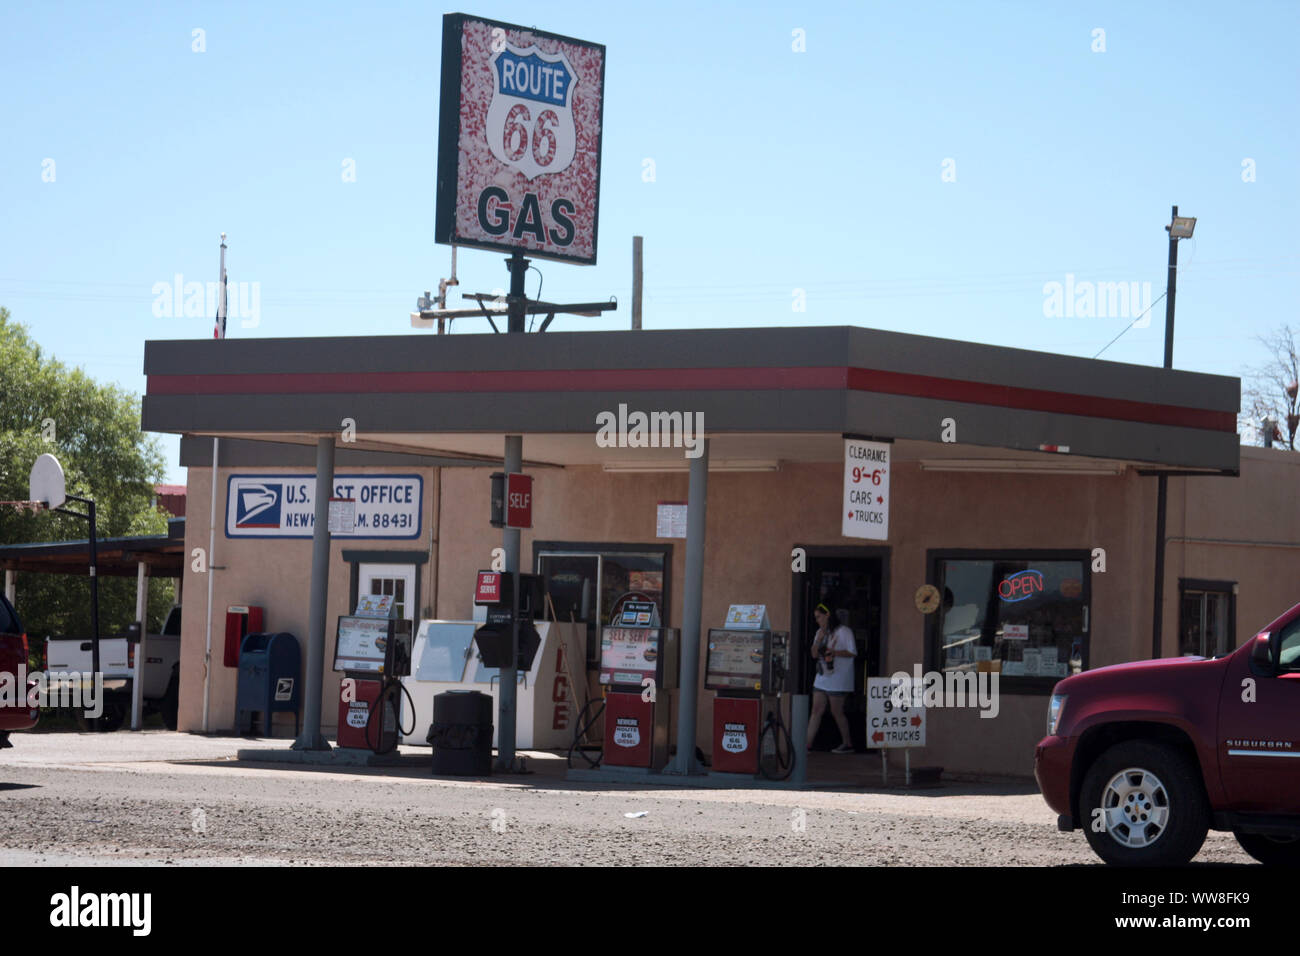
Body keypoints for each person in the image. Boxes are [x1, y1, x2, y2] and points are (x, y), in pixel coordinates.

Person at [808, 602, 857, 753]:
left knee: (836, 711)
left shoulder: (844, 631)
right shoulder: (820, 632)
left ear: (827, 615)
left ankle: (847, 743)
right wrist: (818, 640)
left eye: (819, 617)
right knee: (816, 710)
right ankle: (806, 745)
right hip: (823, 675)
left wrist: (834, 652)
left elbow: (853, 652)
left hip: (839, 677)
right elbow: (814, 654)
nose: (817, 620)